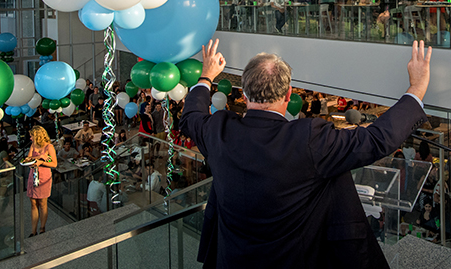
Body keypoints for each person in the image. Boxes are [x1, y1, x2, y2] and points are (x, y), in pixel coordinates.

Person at [179, 38, 432, 268]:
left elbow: (191, 117)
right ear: (289, 94)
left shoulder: (218, 130)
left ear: (244, 95)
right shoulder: (308, 139)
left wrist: (206, 76)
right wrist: (417, 88)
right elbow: (376, 139)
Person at [26, 125, 57, 237]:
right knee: (33, 203)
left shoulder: (49, 147)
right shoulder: (33, 145)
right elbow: (29, 158)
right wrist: (31, 161)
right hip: (33, 175)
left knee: (43, 203)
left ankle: (42, 227)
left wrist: (41, 162)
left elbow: (54, 164)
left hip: (43, 177)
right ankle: (33, 231)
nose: (30, 138)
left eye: (32, 136)